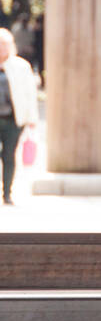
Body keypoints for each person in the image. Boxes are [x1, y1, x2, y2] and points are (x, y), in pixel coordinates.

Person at [0, 27, 39, 206]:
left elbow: (30, 93)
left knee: (9, 156)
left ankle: (7, 192)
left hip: (12, 120)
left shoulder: (20, 66)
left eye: (4, 44)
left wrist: (32, 118)